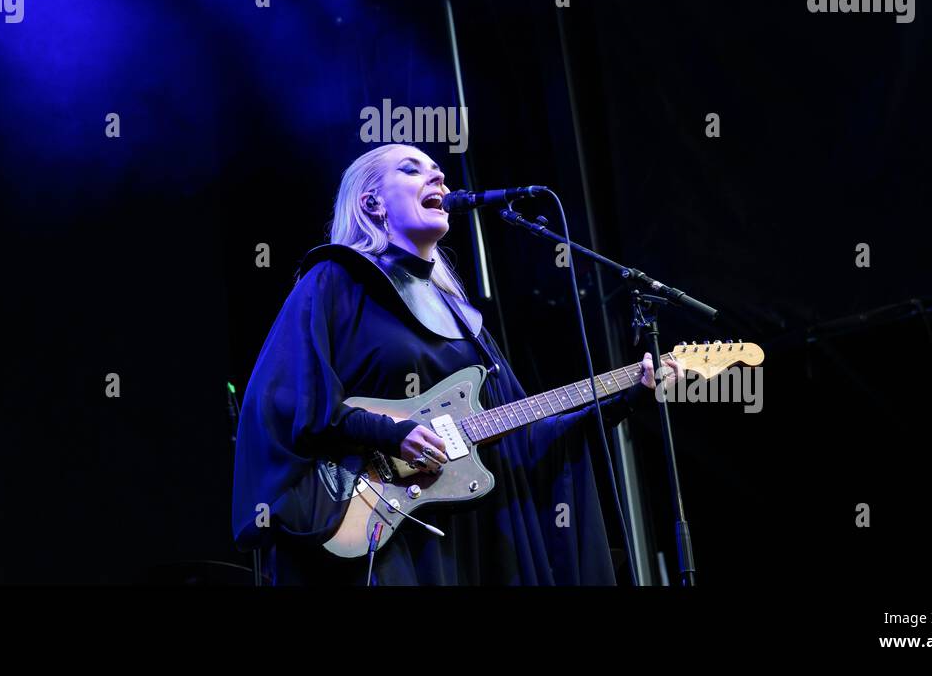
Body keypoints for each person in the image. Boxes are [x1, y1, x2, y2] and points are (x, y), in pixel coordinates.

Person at [230, 143, 677, 584]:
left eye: (439, 169)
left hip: (472, 534)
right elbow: (285, 397)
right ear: (371, 202)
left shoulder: (463, 318)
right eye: (411, 170)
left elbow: (526, 439)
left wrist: (627, 398)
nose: (438, 177)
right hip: (378, 520)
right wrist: (392, 433)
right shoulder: (336, 281)